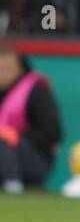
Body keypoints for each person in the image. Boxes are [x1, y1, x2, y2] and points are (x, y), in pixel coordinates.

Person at [0, 42, 61, 194]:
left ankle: (12, 184)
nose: (2, 73)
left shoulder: (36, 92)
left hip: (33, 162)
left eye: (7, 68)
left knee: (3, 140)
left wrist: (15, 137)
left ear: (20, 69)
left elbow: (53, 132)